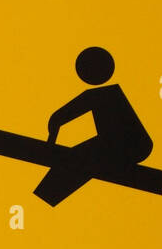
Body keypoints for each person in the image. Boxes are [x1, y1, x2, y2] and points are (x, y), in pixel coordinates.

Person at [34, 46, 154, 206]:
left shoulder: (103, 95)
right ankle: (44, 199)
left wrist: (50, 143)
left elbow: (57, 119)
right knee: (75, 159)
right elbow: (58, 119)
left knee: (74, 160)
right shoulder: (105, 95)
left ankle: (44, 199)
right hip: (118, 145)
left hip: (126, 145)